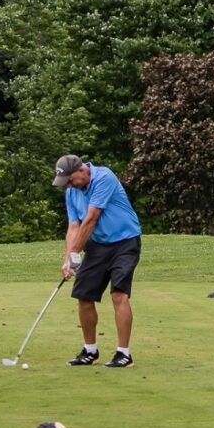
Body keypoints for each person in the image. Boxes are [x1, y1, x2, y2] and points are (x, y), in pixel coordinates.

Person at [52, 154, 142, 368]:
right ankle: (90, 350)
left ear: (82, 170)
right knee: (84, 296)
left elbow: (91, 218)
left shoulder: (104, 177)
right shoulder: (72, 192)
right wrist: (68, 260)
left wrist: (75, 253)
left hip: (125, 242)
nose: (69, 185)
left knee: (119, 294)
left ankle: (123, 353)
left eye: (71, 180)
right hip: (98, 246)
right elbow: (74, 226)